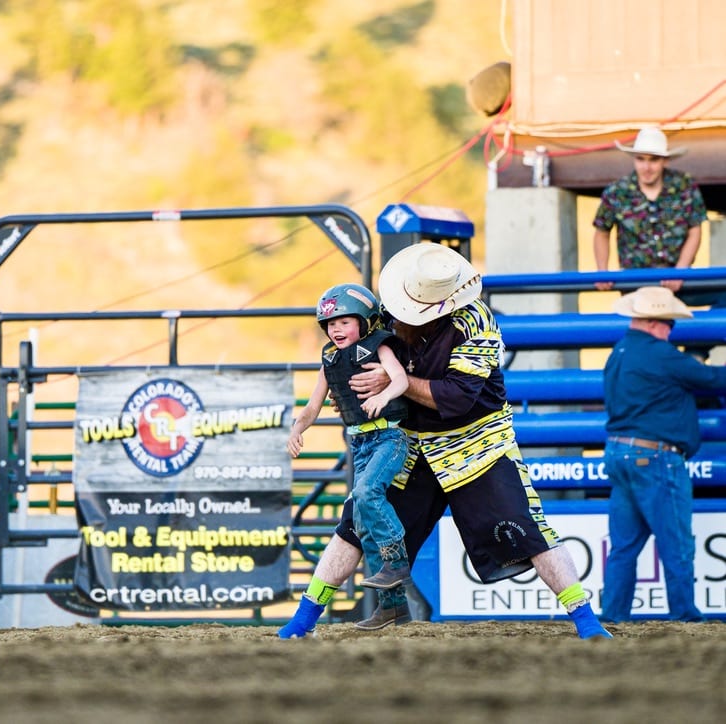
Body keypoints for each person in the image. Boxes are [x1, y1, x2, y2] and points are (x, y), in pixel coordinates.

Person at [281, 243, 612, 639]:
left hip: (476, 442)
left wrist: (391, 382)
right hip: (406, 440)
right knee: (354, 522)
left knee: (529, 528)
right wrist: (349, 387)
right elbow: (351, 357)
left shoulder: (477, 323)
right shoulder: (383, 314)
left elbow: (456, 397)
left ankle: (585, 619)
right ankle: (303, 619)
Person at [600, 286, 726, 622]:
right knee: (677, 545)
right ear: (657, 322)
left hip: (620, 454)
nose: (670, 331)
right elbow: (713, 378)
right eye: (670, 324)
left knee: (624, 549)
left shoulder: (619, 352)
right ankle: (685, 617)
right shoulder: (660, 354)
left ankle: (613, 618)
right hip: (655, 458)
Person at [286, 283, 410, 613]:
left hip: (389, 438)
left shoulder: (378, 346)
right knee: (362, 524)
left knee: (369, 492)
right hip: (359, 444)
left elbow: (400, 380)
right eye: (330, 324)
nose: (336, 329)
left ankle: (397, 562)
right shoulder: (329, 358)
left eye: (344, 321)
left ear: (366, 321)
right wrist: (298, 428)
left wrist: (384, 395)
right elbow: (313, 405)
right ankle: (394, 606)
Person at [592, 126, 720, 357]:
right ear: (634, 160)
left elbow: (695, 229)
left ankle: (696, 353)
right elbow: (601, 230)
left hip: (678, 282)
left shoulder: (684, 186)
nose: (647, 167)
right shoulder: (617, 191)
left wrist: (680, 271)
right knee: (651, 346)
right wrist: (603, 271)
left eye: (653, 160)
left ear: (665, 161)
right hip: (638, 286)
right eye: (641, 159)